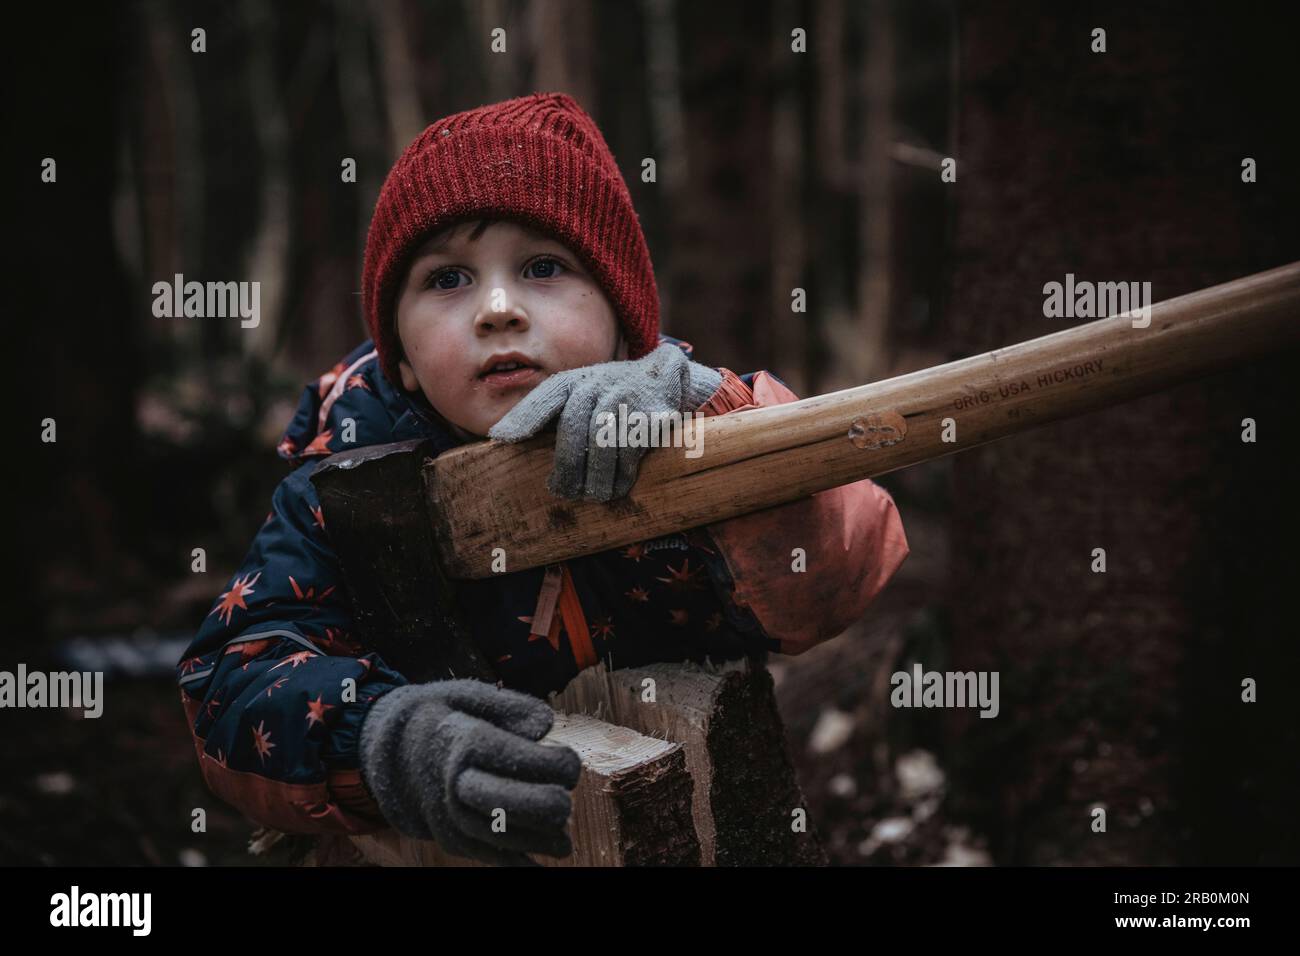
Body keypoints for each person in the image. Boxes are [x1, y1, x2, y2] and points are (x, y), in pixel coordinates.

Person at [176, 92, 910, 866]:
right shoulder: (340, 493)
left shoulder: (685, 427)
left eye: (543, 267)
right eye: (448, 279)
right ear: (404, 360)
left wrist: (705, 407)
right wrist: (387, 741)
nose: (497, 309)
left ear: (623, 322)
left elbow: (839, 573)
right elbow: (234, 676)